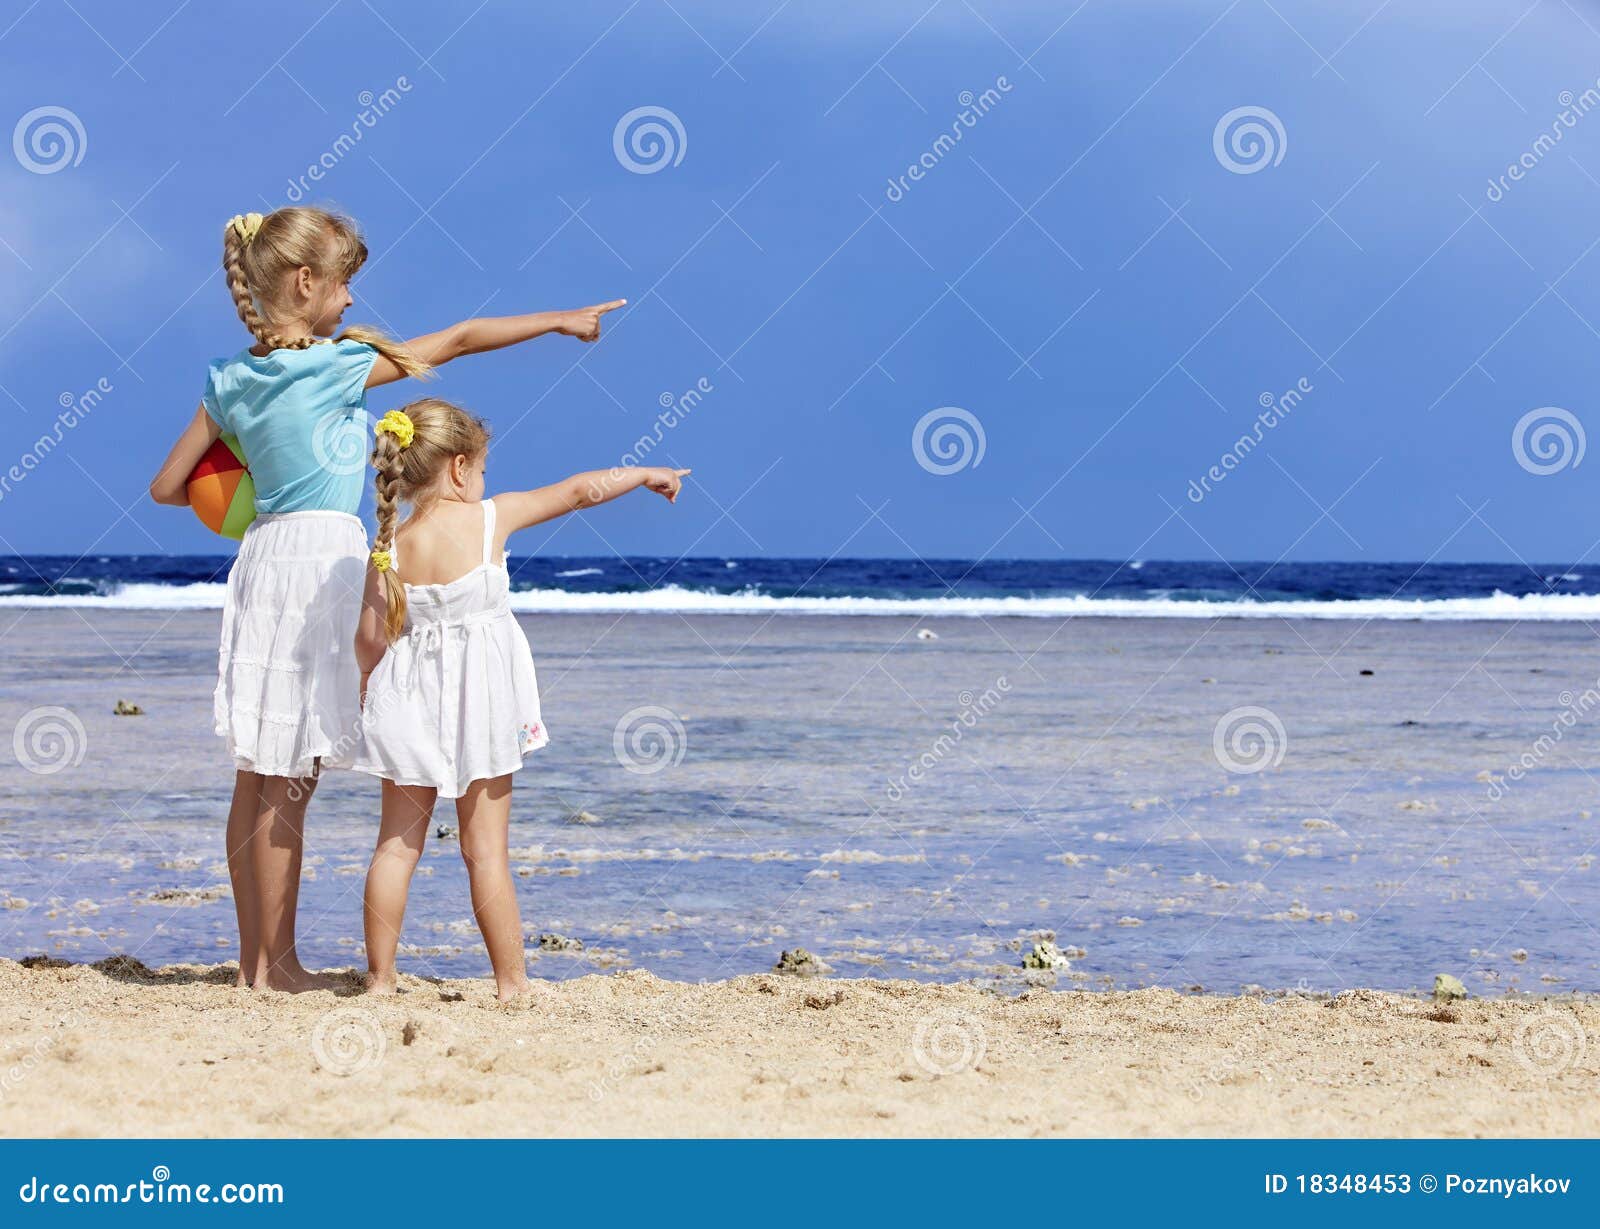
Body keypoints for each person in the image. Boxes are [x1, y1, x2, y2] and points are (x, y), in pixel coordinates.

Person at [148, 204, 624, 990]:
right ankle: (283, 967)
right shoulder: (334, 367)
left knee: (255, 771)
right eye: (344, 288)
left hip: (262, 559)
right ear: (307, 283)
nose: (351, 303)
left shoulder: (228, 378)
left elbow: (169, 488)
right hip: (319, 565)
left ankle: (250, 967)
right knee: (291, 776)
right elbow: (464, 338)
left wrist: (247, 490)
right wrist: (559, 321)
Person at [350, 397, 688, 999]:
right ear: (458, 468)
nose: (485, 480)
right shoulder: (488, 518)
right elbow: (580, 491)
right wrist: (643, 475)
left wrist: (364, 694)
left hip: (407, 698)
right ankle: (511, 983)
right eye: (481, 468)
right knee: (486, 852)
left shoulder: (389, 544)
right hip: (480, 703)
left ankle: (379, 980)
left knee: (396, 846)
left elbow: (368, 640)